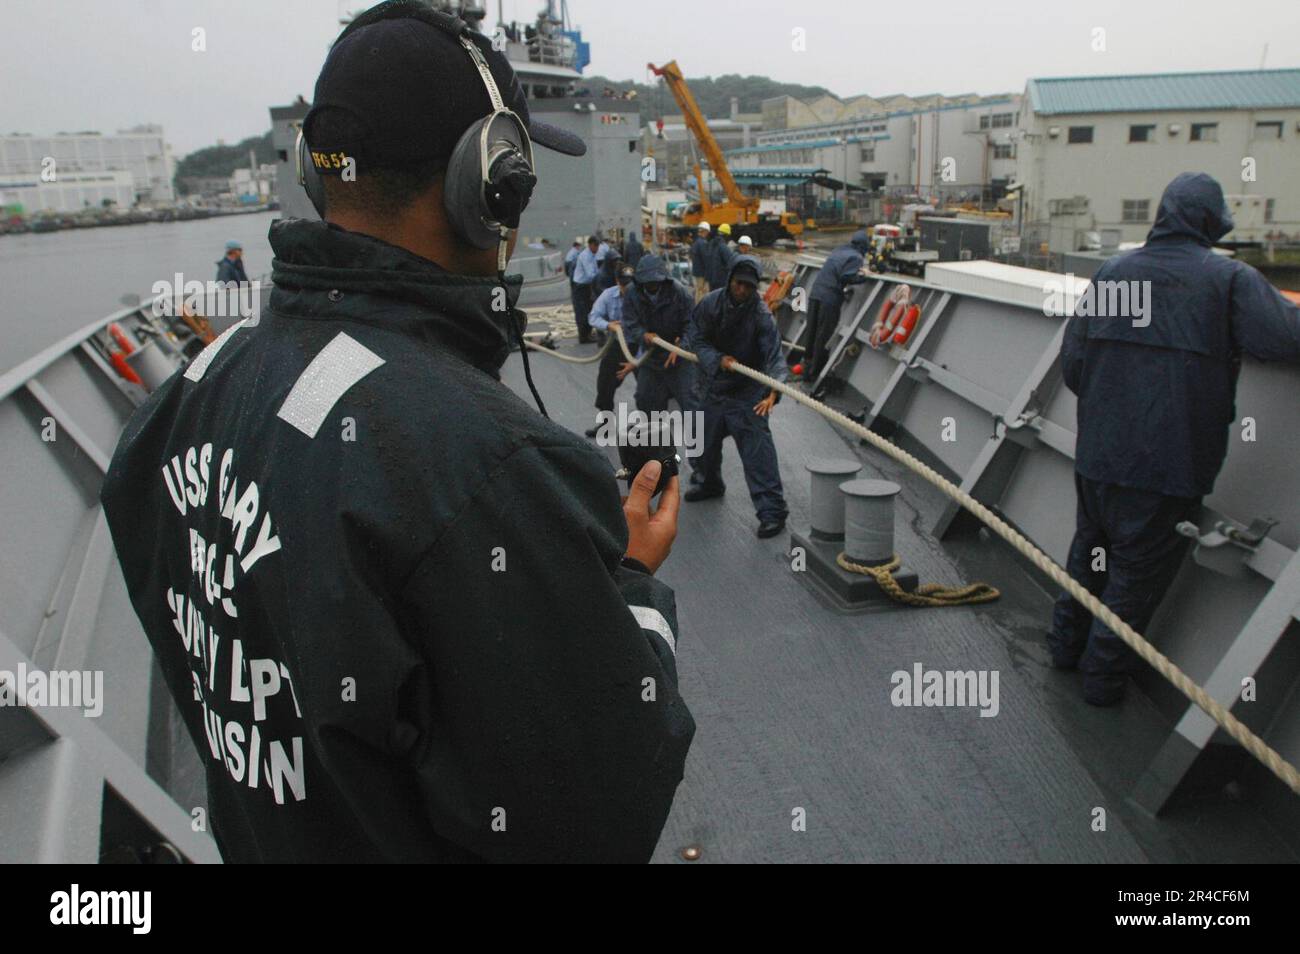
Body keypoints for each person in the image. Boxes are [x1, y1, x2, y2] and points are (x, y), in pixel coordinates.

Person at [100, 0, 693, 864]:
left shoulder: (196, 386)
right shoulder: (493, 467)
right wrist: (632, 584)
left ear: (315, 171)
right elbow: (598, 819)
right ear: (493, 185)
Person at [1049, 171, 1300, 707]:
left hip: (1098, 457)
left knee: (1088, 552)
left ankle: (1063, 648)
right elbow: (1282, 337)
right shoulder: (1226, 279)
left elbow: (1074, 366)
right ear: (1212, 222)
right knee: (1134, 577)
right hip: (1167, 467)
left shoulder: (1115, 274)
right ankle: (1101, 684)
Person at [685, 255, 790, 538]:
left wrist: (773, 391)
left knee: (758, 453)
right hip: (713, 385)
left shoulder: (761, 316)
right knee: (702, 443)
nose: (742, 290)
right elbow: (695, 337)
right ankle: (710, 483)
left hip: (746, 392)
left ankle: (771, 512)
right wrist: (717, 359)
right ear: (730, 279)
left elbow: (775, 358)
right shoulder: (710, 303)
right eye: (738, 283)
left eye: (748, 286)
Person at [804, 229, 870, 382]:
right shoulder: (856, 257)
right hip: (829, 298)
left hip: (815, 293)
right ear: (864, 247)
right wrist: (863, 276)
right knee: (823, 335)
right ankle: (815, 373)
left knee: (812, 332)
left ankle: (806, 368)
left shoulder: (838, 250)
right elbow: (846, 275)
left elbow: (834, 272)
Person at [583, 262, 639, 438]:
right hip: (618, 344)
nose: (627, 289)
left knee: (648, 387)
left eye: (630, 284)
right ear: (617, 281)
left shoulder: (641, 295)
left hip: (641, 345)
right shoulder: (609, 295)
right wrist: (608, 325)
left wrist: (636, 362)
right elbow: (593, 316)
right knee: (605, 382)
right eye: (624, 285)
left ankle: (649, 426)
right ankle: (605, 424)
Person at [571, 234, 604, 342]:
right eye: (595, 246)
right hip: (581, 287)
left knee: (590, 310)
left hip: (587, 286)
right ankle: (583, 337)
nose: (597, 248)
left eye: (598, 246)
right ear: (590, 245)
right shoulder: (585, 256)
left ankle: (587, 334)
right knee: (582, 311)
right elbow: (590, 275)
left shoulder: (592, 254)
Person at [706, 223, 737, 292]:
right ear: (726, 235)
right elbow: (730, 261)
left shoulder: (711, 243)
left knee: (713, 297)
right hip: (721, 279)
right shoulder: (723, 246)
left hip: (711, 278)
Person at [690, 222, 712, 302]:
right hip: (702, 273)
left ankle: (697, 309)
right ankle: (700, 311)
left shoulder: (696, 242)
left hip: (696, 271)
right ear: (705, 231)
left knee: (698, 292)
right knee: (702, 292)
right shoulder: (703, 243)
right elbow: (706, 259)